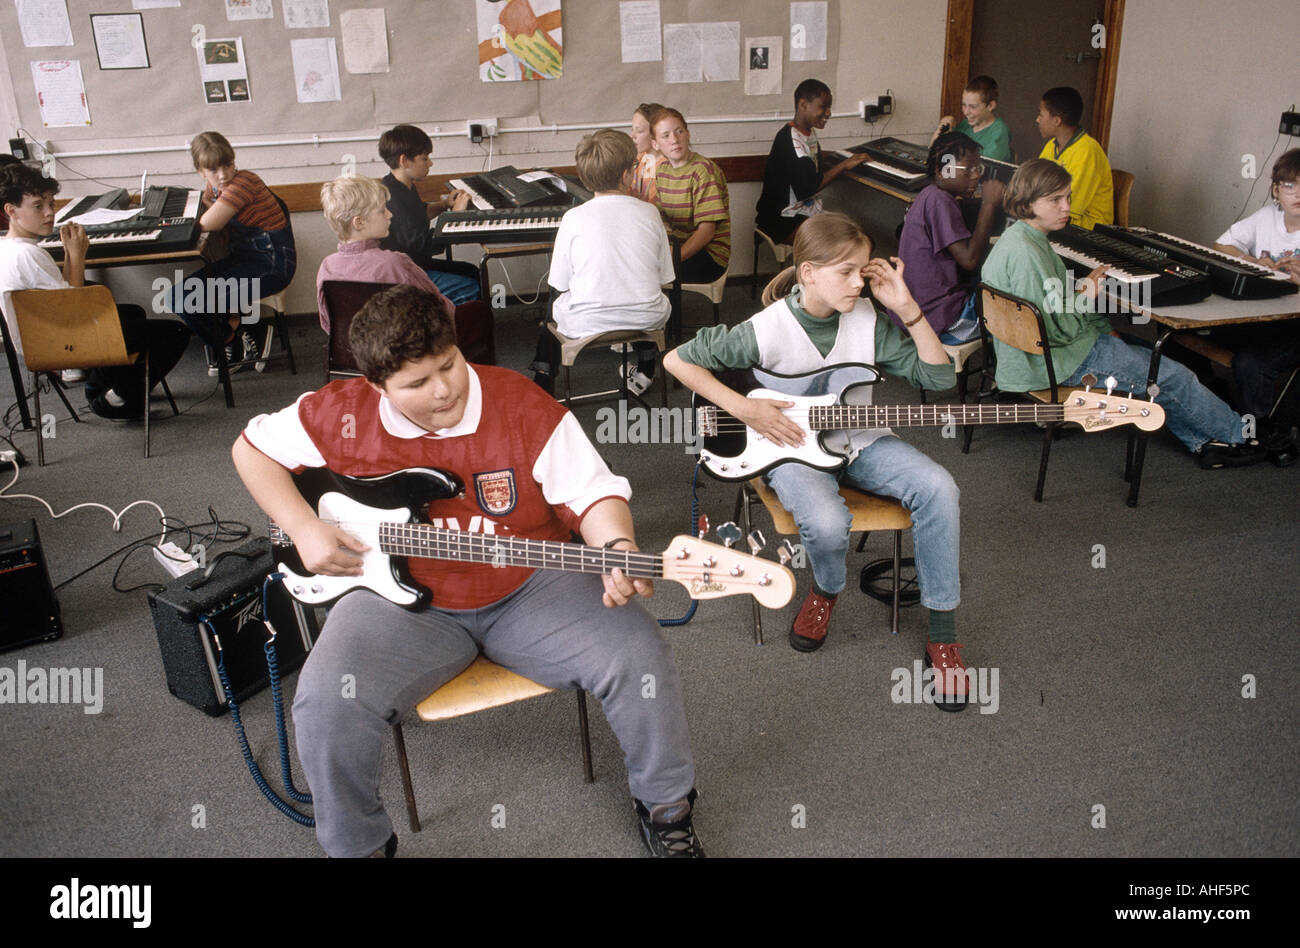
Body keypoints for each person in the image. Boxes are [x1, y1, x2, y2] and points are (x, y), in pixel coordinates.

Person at [231, 285, 703, 857]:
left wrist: (618, 544)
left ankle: (666, 807)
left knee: (638, 653)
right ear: (377, 386)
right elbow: (251, 450)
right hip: (395, 600)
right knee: (325, 703)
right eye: (417, 383)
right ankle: (359, 846)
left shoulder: (522, 403)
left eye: (448, 365)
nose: (444, 389)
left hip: (531, 584)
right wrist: (303, 528)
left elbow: (593, 493)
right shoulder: (340, 413)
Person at [664, 212, 973, 709]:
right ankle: (826, 592)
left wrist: (909, 308)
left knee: (940, 487)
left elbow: (939, 382)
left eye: (862, 271)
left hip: (861, 440)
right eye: (845, 272)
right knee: (826, 525)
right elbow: (676, 360)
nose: (858, 283)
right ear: (808, 272)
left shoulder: (869, 319)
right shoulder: (766, 328)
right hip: (791, 447)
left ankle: (943, 631)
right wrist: (747, 409)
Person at [981, 159, 1266, 468]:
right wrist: (1087, 296)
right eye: (1055, 200)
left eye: (1068, 197)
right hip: (1057, 361)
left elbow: (1046, 309)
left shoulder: (1018, 238)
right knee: (1171, 375)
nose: (1067, 207)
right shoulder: (1029, 254)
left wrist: (1084, 303)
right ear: (1026, 202)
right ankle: (1241, 434)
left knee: (1148, 351)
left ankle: (1205, 441)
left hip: (1029, 356)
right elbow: (1056, 329)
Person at [0, 163, 187, 419]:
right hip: (62, 342)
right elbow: (73, 310)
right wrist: (77, 256)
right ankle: (114, 398)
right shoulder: (29, 255)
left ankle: (111, 388)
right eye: (37, 206)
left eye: (51, 204)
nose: (48, 214)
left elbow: (62, 296)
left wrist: (69, 254)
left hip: (38, 338)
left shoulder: (10, 248)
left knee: (132, 313)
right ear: (11, 211)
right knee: (175, 332)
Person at [530, 129, 674, 397]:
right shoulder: (650, 212)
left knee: (554, 301)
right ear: (625, 175)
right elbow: (666, 277)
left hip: (587, 322)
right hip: (646, 317)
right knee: (651, 294)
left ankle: (543, 379)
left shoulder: (573, 218)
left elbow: (559, 283)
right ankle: (646, 369)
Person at [169, 131, 296, 376]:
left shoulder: (244, 182)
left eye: (228, 165)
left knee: (194, 299)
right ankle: (233, 337)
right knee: (178, 297)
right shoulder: (214, 188)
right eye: (214, 169)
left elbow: (207, 223)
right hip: (243, 259)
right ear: (200, 171)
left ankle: (244, 333)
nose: (224, 174)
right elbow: (205, 210)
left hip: (273, 264)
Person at [1212, 148, 1300, 466]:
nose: (1298, 194)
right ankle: (1221, 405)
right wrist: (1252, 261)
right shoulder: (1267, 217)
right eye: (1290, 185)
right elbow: (1222, 245)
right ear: (1276, 189)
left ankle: (1261, 431)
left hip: (1293, 326)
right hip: (1256, 317)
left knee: (1252, 363)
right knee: (1184, 336)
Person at [890, 131, 1005, 342]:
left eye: (978, 169)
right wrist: (988, 205)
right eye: (968, 170)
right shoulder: (939, 201)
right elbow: (969, 260)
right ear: (941, 172)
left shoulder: (928, 195)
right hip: (939, 319)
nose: (976, 176)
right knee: (1011, 308)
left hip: (916, 308)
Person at [315, 174, 451, 333]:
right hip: (406, 352)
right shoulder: (395, 264)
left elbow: (329, 325)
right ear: (359, 222)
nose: (390, 214)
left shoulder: (326, 268)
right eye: (382, 210)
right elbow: (441, 311)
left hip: (357, 353)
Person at [755, 79, 870, 245]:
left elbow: (813, 162)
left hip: (799, 212)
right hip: (781, 220)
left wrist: (845, 158)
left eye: (829, 107)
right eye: (823, 106)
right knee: (847, 242)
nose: (829, 113)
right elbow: (807, 188)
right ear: (803, 105)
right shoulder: (791, 140)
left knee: (856, 235)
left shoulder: (806, 132)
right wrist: (844, 165)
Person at [377, 124, 481, 304]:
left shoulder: (401, 185)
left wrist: (443, 205)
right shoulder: (392, 197)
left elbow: (419, 213)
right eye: (424, 158)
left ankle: (472, 326)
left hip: (416, 262)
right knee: (470, 286)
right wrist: (454, 217)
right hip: (406, 271)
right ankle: (449, 330)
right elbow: (422, 245)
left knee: (472, 272)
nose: (430, 163)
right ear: (405, 161)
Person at [651, 107, 731, 284]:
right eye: (665, 136)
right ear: (655, 144)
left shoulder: (703, 170)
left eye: (679, 131)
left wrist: (671, 258)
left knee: (646, 273)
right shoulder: (662, 170)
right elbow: (662, 218)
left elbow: (706, 232)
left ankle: (670, 312)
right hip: (679, 247)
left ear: (687, 134)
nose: (674, 140)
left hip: (710, 256)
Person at [1035, 86, 1112, 230]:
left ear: (1057, 120)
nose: (1037, 119)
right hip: (1055, 217)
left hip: (1086, 229)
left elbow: (1069, 206)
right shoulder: (1051, 145)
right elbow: (1034, 183)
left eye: (1041, 114)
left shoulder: (1087, 150)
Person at [932, 75, 1013, 163]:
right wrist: (942, 126)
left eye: (973, 107)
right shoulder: (964, 125)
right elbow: (933, 152)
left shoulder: (999, 132)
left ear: (990, 106)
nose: (966, 112)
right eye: (964, 105)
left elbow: (980, 165)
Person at [629, 102, 664, 204]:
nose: (632, 136)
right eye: (632, 130)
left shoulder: (668, 166)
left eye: (639, 131)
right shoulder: (636, 160)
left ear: (655, 133)